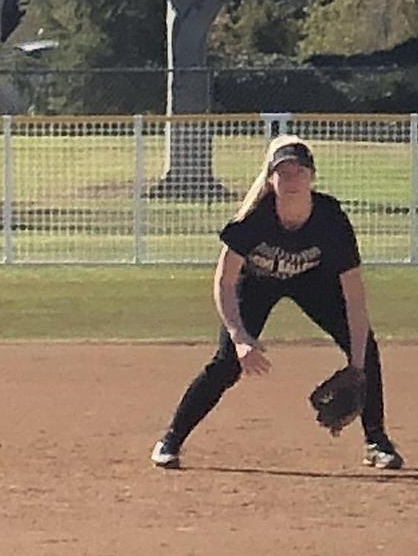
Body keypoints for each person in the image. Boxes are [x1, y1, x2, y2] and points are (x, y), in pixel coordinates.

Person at [152, 136, 402, 472]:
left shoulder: (331, 220)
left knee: (365, 349)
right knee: (227, 363)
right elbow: (225, 282)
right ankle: (171, 439)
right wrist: (239, 337)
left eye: (298, 171)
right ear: (270, 179)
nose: (291, 179)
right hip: (256, 283)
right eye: (282, 172)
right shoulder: (255, 219)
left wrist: (357, 366)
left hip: (314, 282)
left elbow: (354, 299)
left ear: (312, 176)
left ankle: (376, 441)